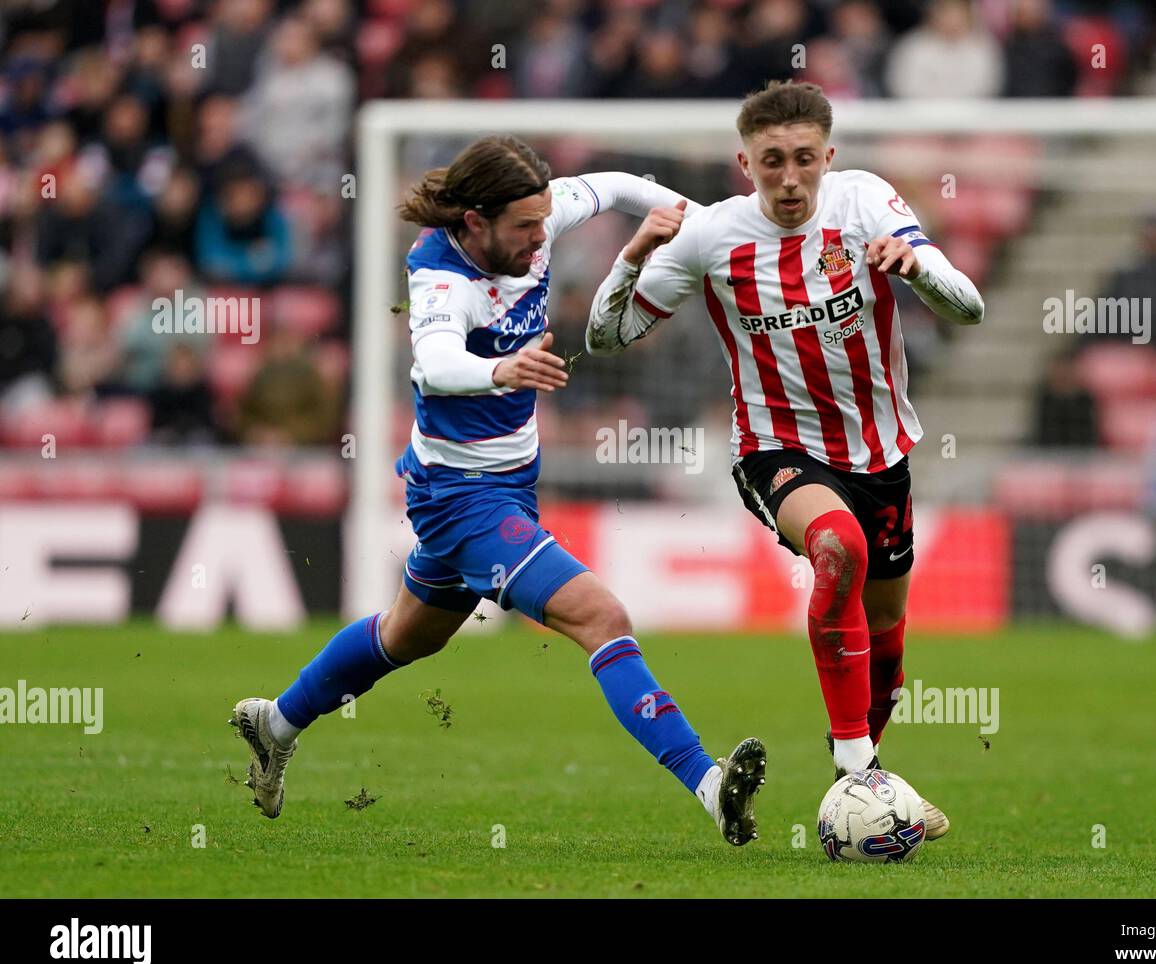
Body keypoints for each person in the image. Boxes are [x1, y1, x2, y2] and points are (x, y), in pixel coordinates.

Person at [231, 136, 766, 847]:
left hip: (509, 485)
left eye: (544, 221)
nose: (541, 238)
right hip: (461, 496)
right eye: (524, 228)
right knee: (600, 616)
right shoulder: (439, 273)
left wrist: (702, 225)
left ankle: (276, 723)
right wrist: (502, 370)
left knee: (403, 638)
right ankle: (708, 782)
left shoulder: (534, 221)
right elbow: (435, 363)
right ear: (475, 221)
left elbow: (614, 185)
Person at [586, 81, 988, 841]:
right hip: (774, 449)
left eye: (805, 159)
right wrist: (631, 257)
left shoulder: (866, 202)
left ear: (829, 157)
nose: (791, 177)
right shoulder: (711, 237)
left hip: (880, 454)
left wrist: (917, 267)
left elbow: (968, 306)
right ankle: (858, 774)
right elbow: (608, 339)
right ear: (746, 162)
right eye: (773, 161)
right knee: (839, 550)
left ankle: (863, 779)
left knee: (888, 624)